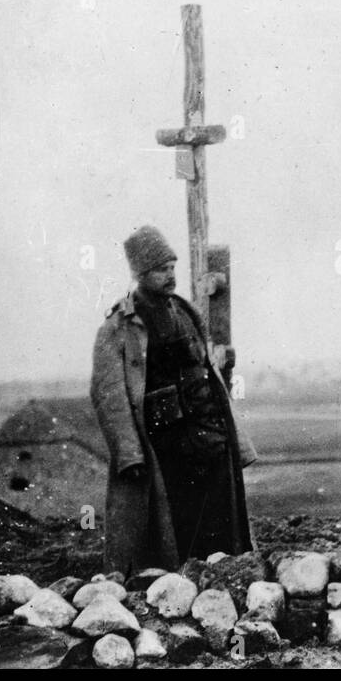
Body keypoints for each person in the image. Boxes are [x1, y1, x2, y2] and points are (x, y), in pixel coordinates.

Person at [90, 225, 254, 576]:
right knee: (172, 530)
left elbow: (206, 371)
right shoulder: (120, 326)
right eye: (161, 269)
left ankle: (221, 580)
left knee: (218, 521)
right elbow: (110, 395)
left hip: (206, 435)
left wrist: (232, 437)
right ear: (140, 274)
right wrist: (129, 453)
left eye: (172, 267)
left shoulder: (185, 312)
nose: (170, 275)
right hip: (164, 446)